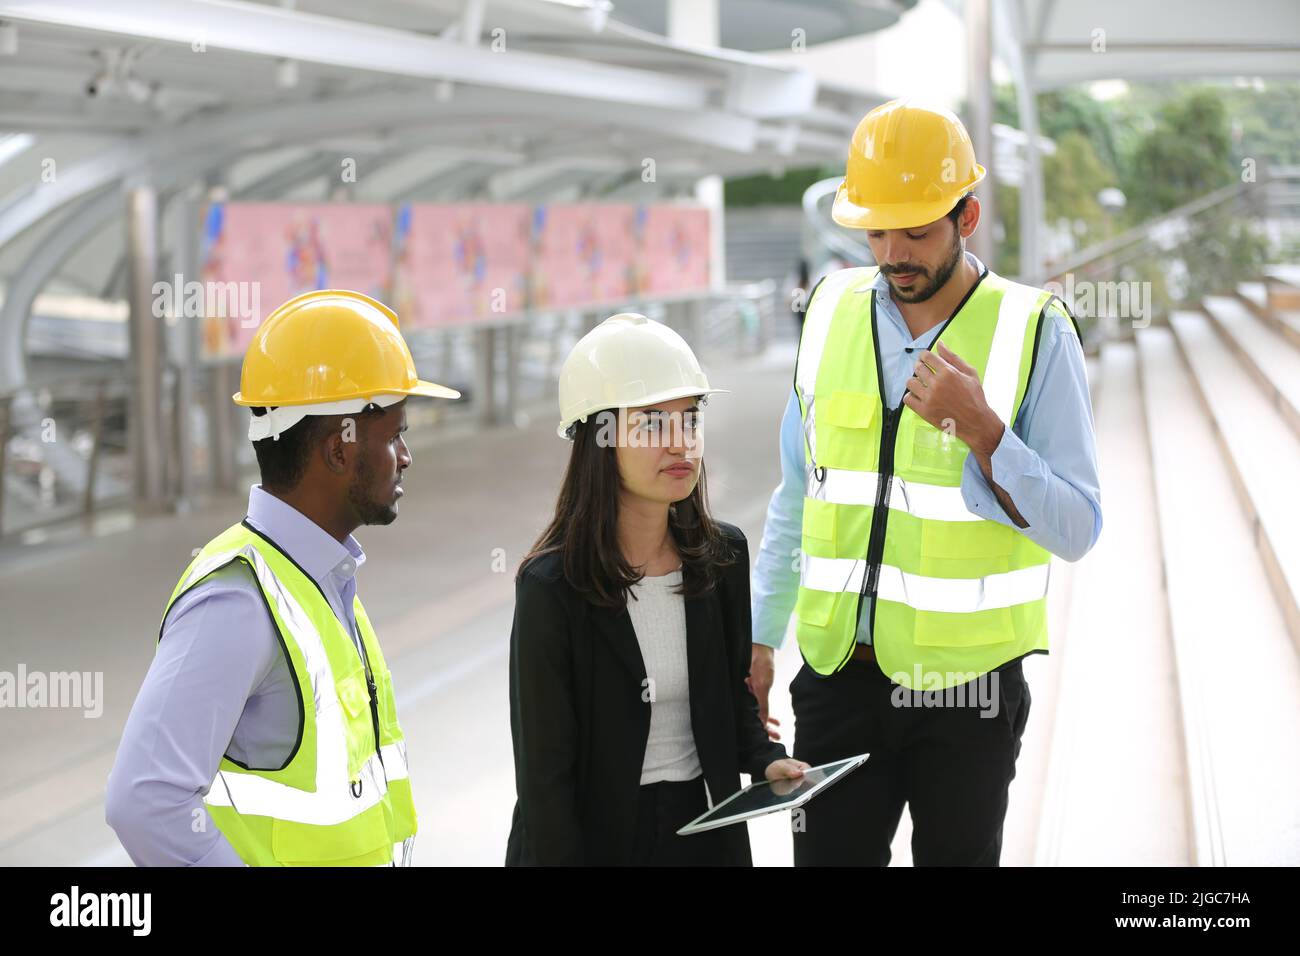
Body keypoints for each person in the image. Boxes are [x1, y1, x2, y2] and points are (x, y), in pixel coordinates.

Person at [748, 99, 1102, 866]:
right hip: (839, 681)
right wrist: (759, 635)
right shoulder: (829, 311)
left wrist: (987, 433)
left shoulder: (1034, 329)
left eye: (916, 230)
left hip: (966, 695)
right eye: (876, 230)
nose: (893, 251)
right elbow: (798, 494)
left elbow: (1078, 527)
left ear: (966, 215)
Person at [105, 289, 460, 866]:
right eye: (394, 433)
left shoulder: (324, 579)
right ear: (339, 449)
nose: (405, 455)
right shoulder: (236, 599)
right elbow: (144, 799)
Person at [506, 312, 809, 866]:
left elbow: (731, 700)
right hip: (593, 843)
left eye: (690, 419)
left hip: (703, 830)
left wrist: (766, 758)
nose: (681, 444)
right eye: (651, 424)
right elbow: (545, 779)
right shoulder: (551, 588)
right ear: (600, 437)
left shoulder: (722, 557)